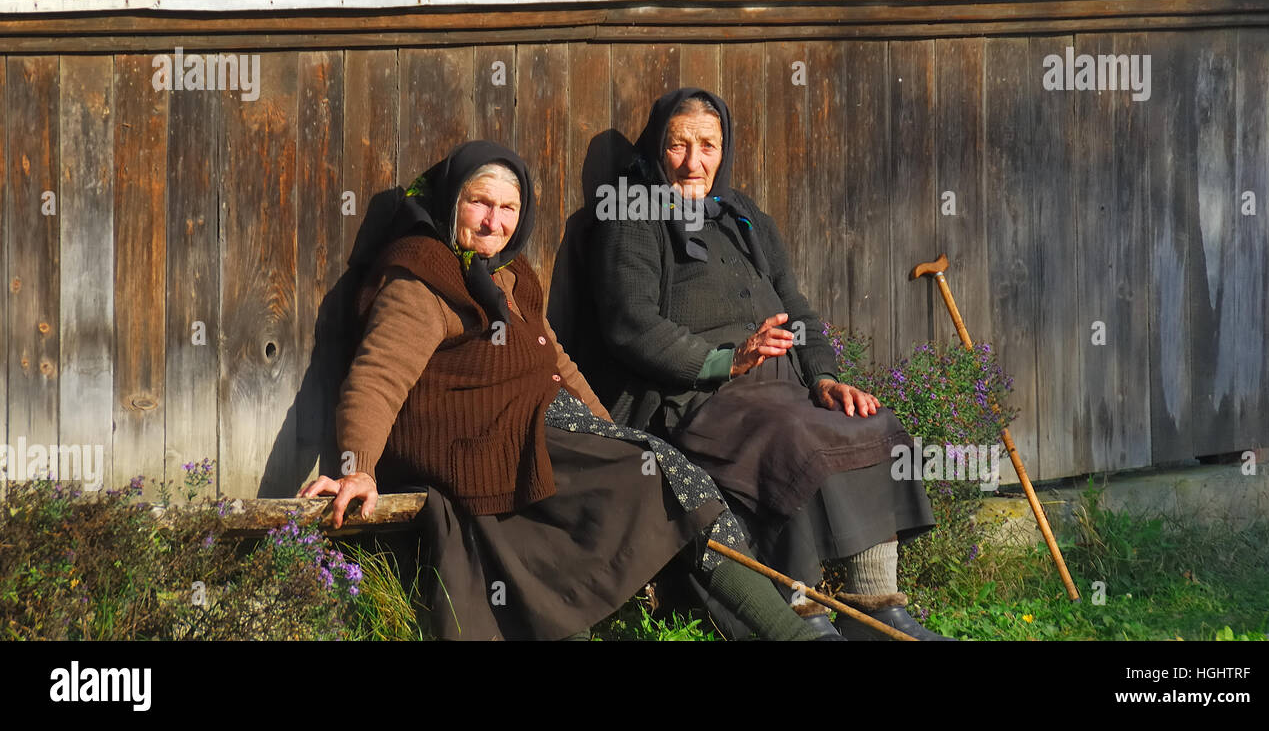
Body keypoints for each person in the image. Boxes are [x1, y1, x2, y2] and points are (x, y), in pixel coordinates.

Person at [301, 140, 833, 641]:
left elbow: (555, 360)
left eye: (508, 208)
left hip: (532, 422)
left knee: (664, 473)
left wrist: (614, 434)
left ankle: (777, 627)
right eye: (480, 204)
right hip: (478, 437)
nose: (495, 222)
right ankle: (785, 633)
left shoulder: (507, 275)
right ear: (451, 202)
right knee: (669, 485)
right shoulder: (422, 279)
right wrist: (358, 468)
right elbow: (377, 376)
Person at [586, 88, 953, 640]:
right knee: (793, 440)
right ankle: (802, 614)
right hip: (692, 396)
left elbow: (795, 309)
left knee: (870, 422)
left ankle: (877, 608)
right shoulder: (631, 215)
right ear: (657, 148)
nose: (694, 161)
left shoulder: (743, 215)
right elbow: (629, 324)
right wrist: (724, 362)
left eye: (708, 145)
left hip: (780, 390)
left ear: (724, 150)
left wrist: (825, 378)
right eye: (679, 144)